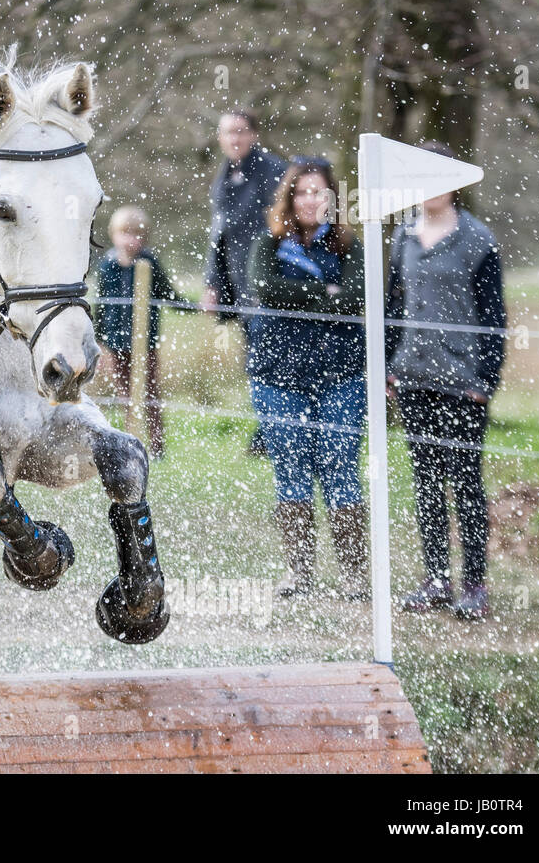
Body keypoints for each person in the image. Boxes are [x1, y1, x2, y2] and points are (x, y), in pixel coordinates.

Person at [386, 142, 506, 621]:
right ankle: (436, 577)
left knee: (467, 483)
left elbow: (494, 317)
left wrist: (487, 381)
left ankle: (475, 584)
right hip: (414, 379)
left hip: (463, 382)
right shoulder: (401, 238)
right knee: (427, 483)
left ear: (454, 183)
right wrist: (391, 367)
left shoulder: (479, 241)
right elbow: (393, 306)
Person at [245, 158, 369, 600]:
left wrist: (304, 298)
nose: (309, 200)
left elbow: (358, 295)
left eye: (318, 192)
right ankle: (300, 574)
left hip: (341, 374)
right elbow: (264, 286)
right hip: (277, 376)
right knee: (290, 469)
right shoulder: (268, 244)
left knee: (341, 469)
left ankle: (354, 578)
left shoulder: (350, 248)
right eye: (301, 192)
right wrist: (325, 296)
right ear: (290, 198)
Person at [200, 109, 289, 455]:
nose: (234, 139)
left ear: (253, 134)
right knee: (255, 360)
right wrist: (212, 284)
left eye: (240, 131)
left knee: (271, 359)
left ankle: (272, 432)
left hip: (270, 282)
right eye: (227, 133)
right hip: (239, 285)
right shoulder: (223, 178)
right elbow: (217, 236)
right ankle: (268, 428)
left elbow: (283, 228)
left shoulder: (274, 172)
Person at [93, 205, 188, 458]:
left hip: (145, 343)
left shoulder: (149, 262)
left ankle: (157, 447)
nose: (130, 240)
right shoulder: (107, 266)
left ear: (144, 238)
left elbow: (168, 294)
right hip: (115, 343)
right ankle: (131, 443)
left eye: (137, 235)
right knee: (126, 395)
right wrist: (99, 343)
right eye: (125, 233)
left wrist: (192, 306)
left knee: (150, 393)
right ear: (113, 234)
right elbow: (101, 307)